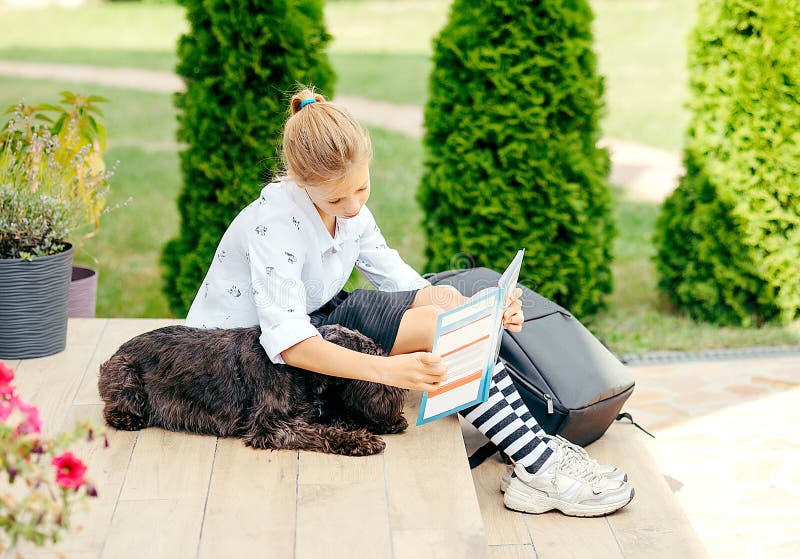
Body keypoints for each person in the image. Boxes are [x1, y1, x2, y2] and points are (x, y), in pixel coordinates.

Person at [184, 86, 634, 517]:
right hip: (238, 357)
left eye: (362, 188)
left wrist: (485, 314)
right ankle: (538, 464)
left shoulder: (349, 210)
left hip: (312, 318)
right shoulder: (274, 223)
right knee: (435, 331)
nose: (355, 205)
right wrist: (388, 369)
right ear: (300, 183)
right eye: (338, 197)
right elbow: (289, 342)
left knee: (444, 305)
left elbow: (399, 278)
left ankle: (534, 456)